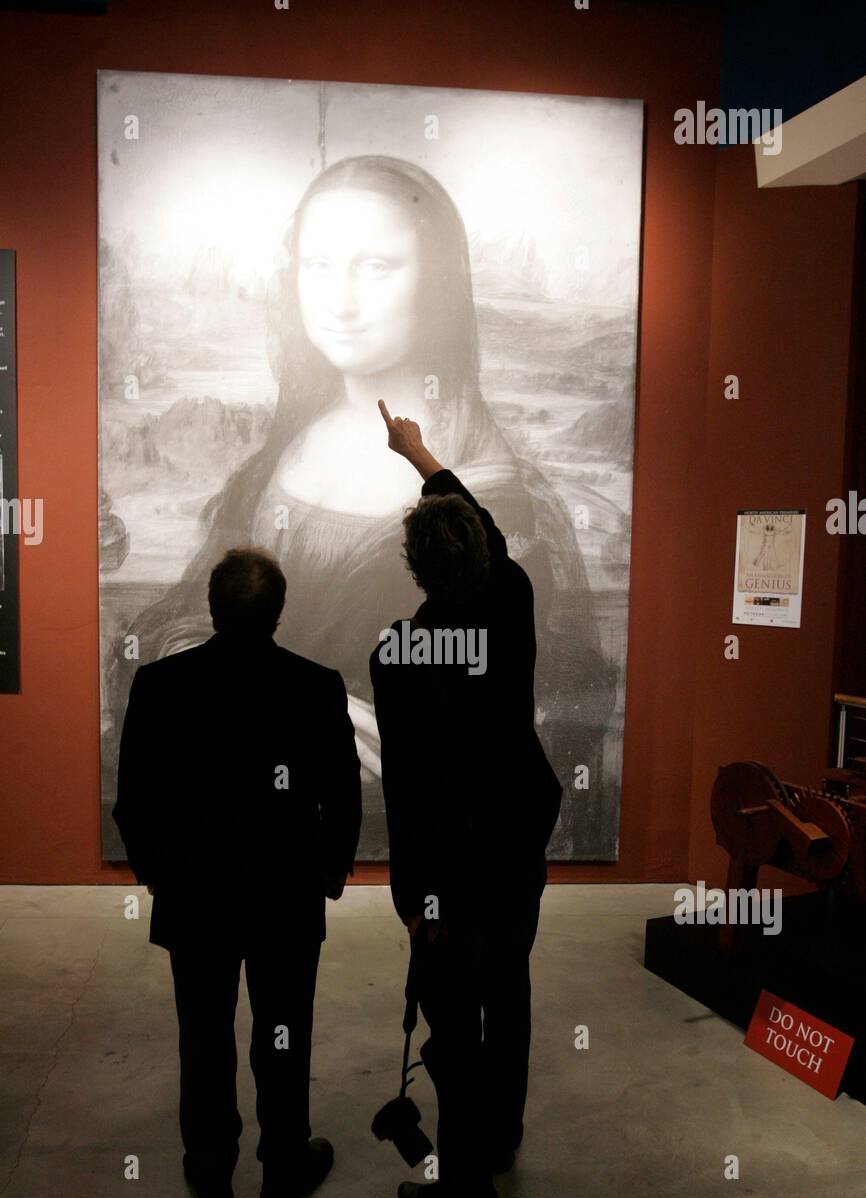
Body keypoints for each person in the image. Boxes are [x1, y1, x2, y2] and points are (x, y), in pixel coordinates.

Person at [104, 154, 615, 868]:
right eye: (317, 265)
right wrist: (243, 689)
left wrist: (384, 725)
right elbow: (192, 614)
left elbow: (529, 695)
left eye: (376, 266)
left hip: (408, 823)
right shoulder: (276, 460)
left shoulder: (497, 494)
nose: (339, 299)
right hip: (246, 805)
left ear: (435, 281)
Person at [112, 547, 362, 1198]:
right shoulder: (315, 685)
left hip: (197, 891)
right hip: (285, 895)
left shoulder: (162, 685)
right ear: (278, 612)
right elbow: (342, 797)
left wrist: (159, 873)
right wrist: (327, 877)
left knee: (203, 1033)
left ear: (212, 608)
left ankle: (210, 1165)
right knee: (283, 1033)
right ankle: (283, 1165)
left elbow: (134, 799)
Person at [370, 401, 563, 1198]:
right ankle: (501, 1134)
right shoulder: (512, 597)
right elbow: (482, 527)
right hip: (515, 835)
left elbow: (412, 794)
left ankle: (467, 1197)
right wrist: (421, 457)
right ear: (486, 556)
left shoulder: (401, 656)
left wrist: (416, 899)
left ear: (415, 571)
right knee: (509, 984)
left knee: (452, 1027)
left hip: (450, 867)